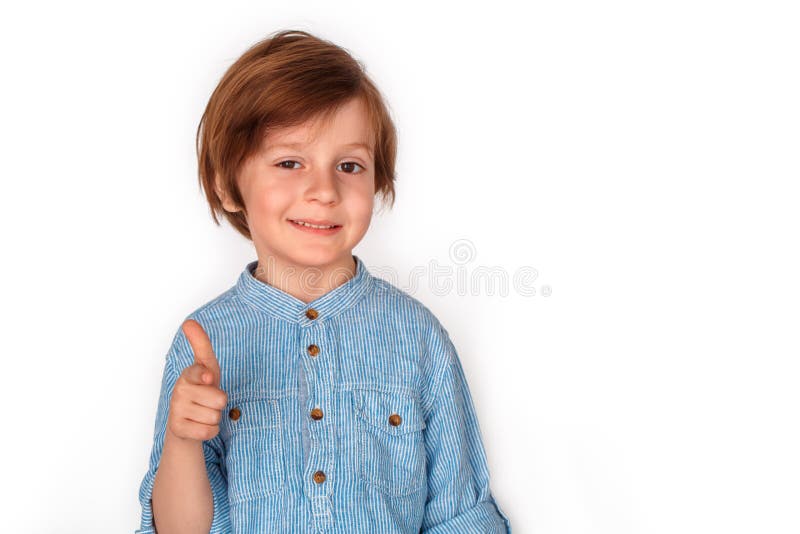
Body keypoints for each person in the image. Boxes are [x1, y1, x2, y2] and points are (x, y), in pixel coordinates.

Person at [135, 28, 512, 534]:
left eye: (349, 165)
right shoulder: (204, 343)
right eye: (290, 162)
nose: (324, 190)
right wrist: (183, 440)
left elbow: (461, 514)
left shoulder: (417, 336)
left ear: (377, 181)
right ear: (228, 186)